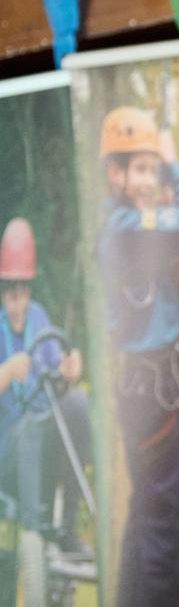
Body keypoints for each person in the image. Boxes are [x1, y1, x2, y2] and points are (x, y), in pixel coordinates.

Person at [97, 106, 179, 607]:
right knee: (167, 519)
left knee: (147, 514)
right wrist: (170, 159)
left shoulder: (127, 226)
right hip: (151, 390)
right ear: (115, 174)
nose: (147, 181)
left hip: (147, 385)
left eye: (150, 171)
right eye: (136, 169)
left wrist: (163, 167)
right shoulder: (125, 228)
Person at [0, 217, 92, 550]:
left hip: (44, 431)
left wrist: (70, 367)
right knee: (28, 429)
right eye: (9, 292)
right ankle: (32, 532)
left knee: (78, 404)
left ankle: (66, 527)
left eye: (22, 290)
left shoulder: (39, 317)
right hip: (9, 446)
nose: (17, 301)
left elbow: (58, 370)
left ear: (29, 289)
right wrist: (8, 371)